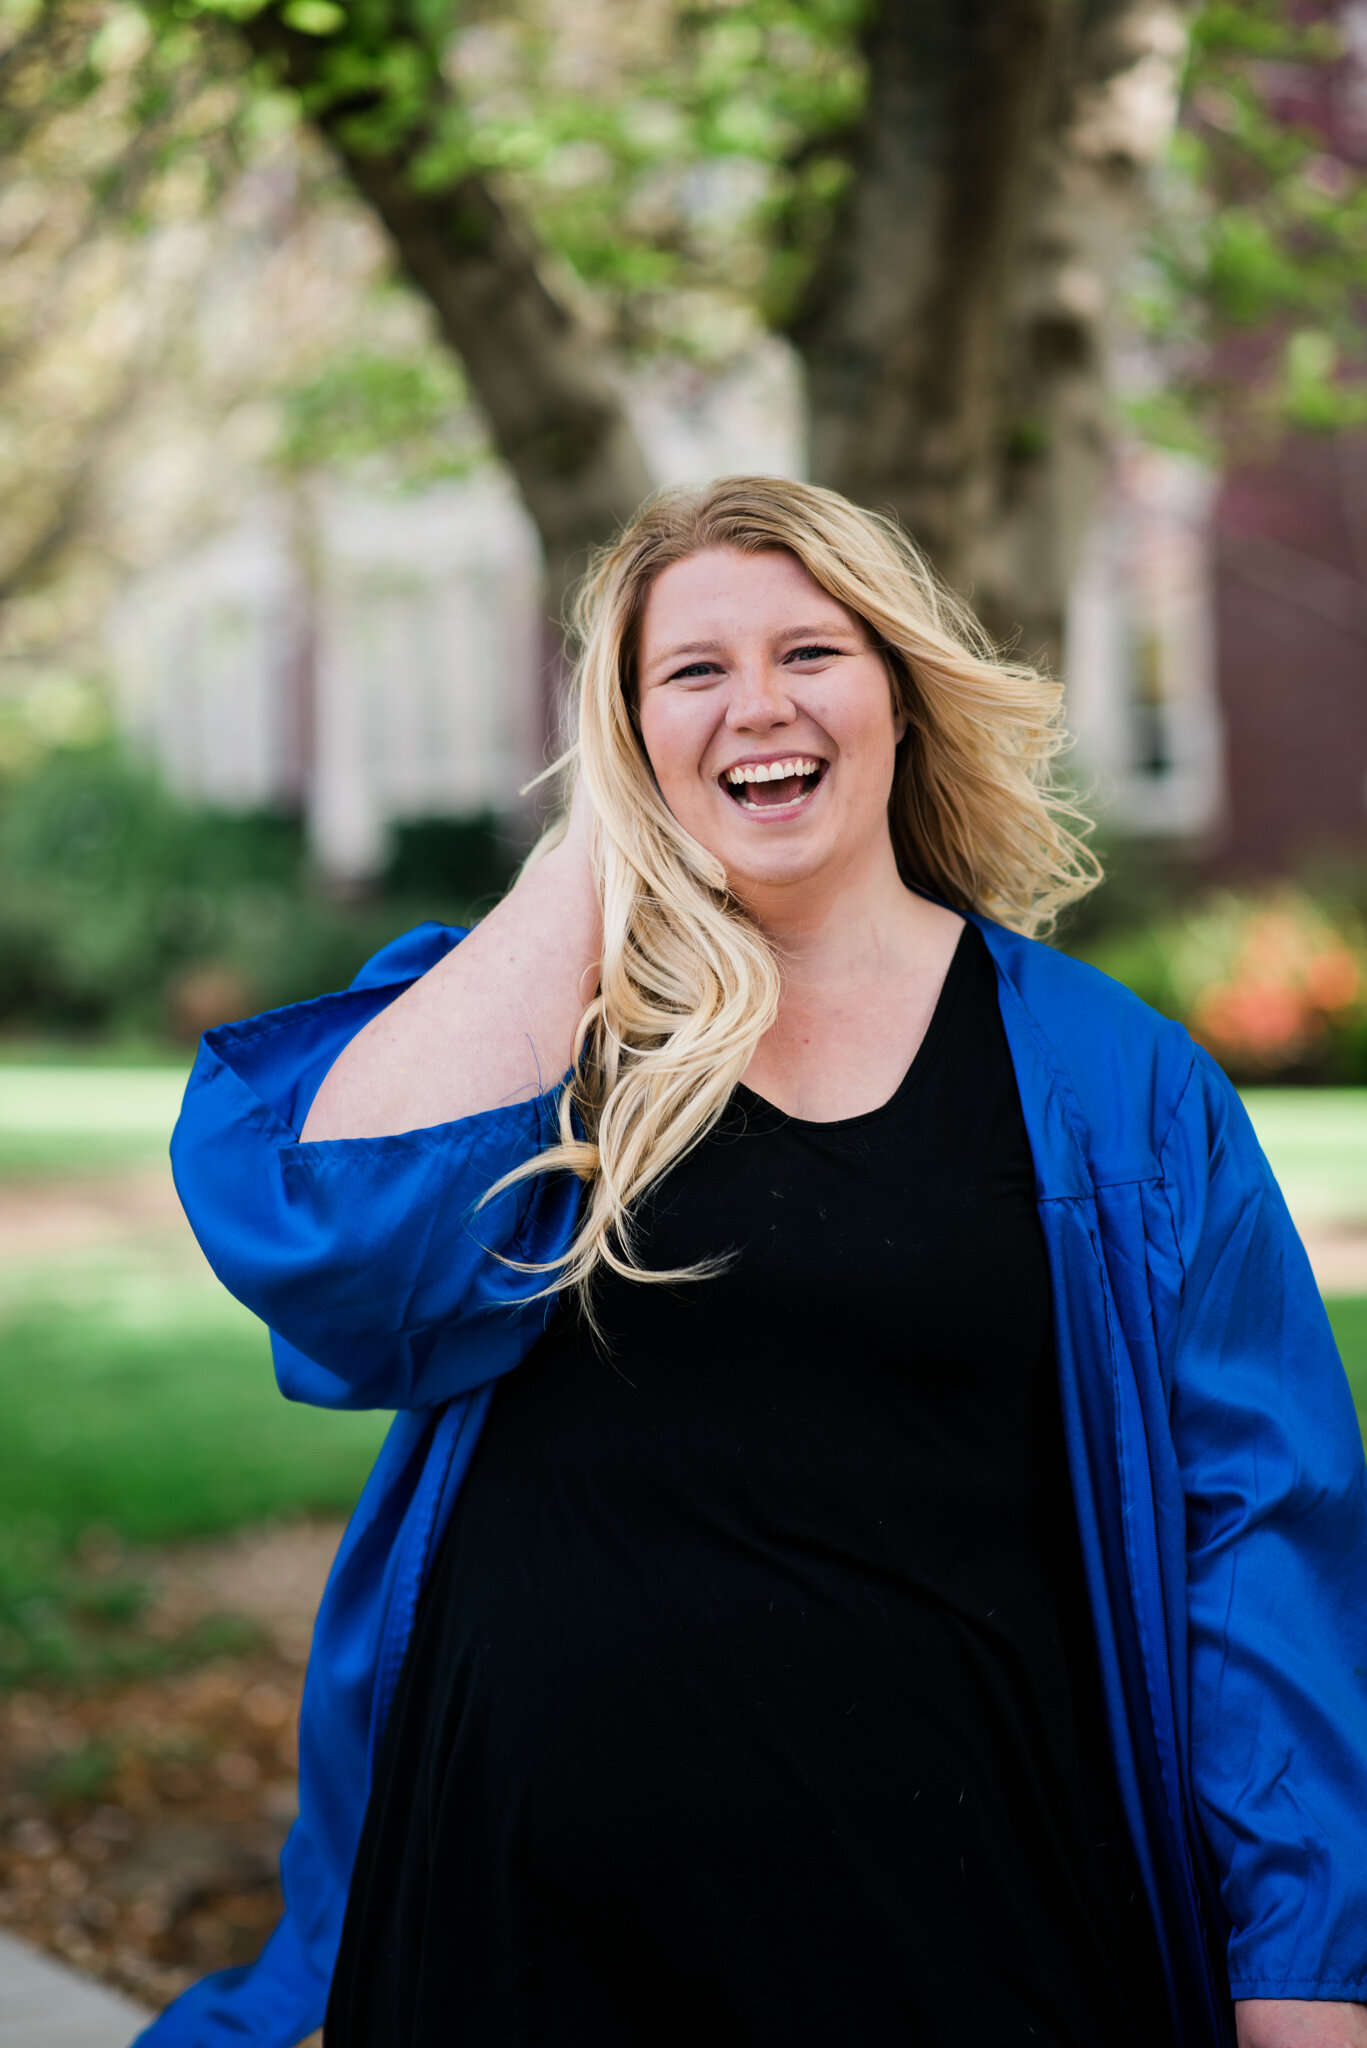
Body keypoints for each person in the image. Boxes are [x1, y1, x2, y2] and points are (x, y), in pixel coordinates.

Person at [143, 478, 1367, 2048]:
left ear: (901, 692)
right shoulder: (544, 1028)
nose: (757, 708)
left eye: (812, 652)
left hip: (970, 1924)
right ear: (622, 726)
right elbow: (334, 1244)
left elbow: (1259, 1540)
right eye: (692, 672)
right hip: (528, 1930)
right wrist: (603, 850)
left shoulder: (1114, 1089)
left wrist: (1301, 1979)